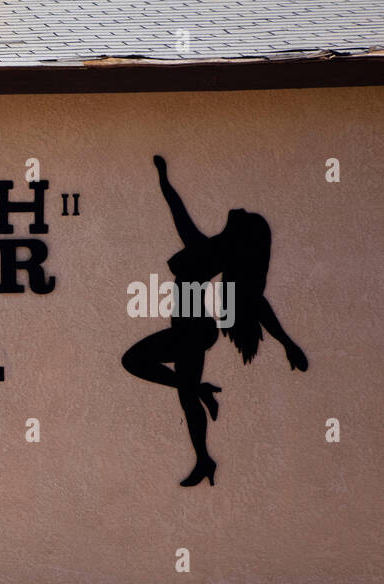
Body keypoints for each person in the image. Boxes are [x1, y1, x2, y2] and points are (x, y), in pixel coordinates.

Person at [121, 155, 307, 487]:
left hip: (194, 330)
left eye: (246, 216)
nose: (239, 210)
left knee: (134, 359)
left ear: (242, 234)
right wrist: (164, 178)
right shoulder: (205, 247)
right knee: (186, 398)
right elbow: (177, 211)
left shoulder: (218, 255)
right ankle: (204, 458)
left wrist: (288, 344)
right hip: (188, 329)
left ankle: (200, 396)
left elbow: (257, 304)